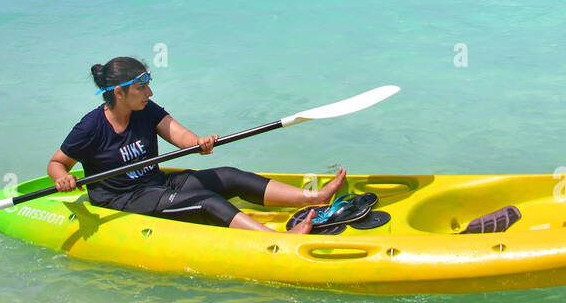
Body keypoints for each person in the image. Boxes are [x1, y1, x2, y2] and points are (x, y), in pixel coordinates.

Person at [48, 57, 347, 233]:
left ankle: (315, 198)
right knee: (207, 200)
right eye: (142, 87)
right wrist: (62, 177)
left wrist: (198, 142)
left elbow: (178, 134)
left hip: (156, 183)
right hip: (123, 200)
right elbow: (57, 162)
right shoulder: (90, 127)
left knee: (229, 176)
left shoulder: (146, 110)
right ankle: (278, 239)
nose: (149, 92)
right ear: (119, 93)